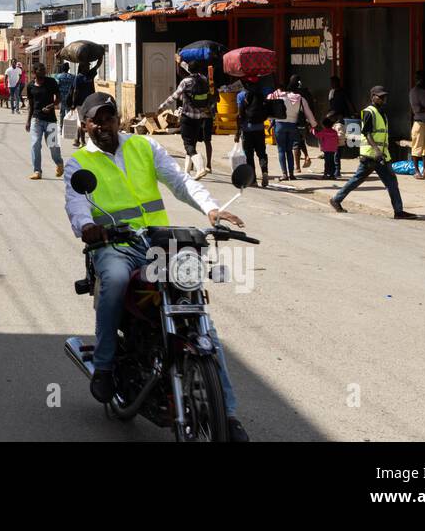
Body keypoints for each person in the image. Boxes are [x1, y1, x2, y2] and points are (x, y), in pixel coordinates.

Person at [63, 92, 249, 442]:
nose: (103, 124)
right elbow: (76, 205)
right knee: (116, 280)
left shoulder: (144, 147)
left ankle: (227, 413)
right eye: (95, 120)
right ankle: (103, 366)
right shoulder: (79, 163)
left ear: (119, 119)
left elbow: (179, 182)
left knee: (198, 317)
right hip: (114, 246)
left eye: (109, 117)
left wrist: (210, 209)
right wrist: (87, 227)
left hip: (161, 245)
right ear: (85, 125)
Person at [330, 86, 416, 219]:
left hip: (380, 154)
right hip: (372, 154)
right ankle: (398, 211)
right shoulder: (369, 112)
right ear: (372, 97)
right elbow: (367, 133)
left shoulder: (381, 113)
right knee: (388, 182)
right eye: (379, 96)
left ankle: (337, 199)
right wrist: (376, 150)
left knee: (362, 180)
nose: (382, 99)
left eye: (384, 96)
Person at [157, 60, 214, 179]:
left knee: (188, 144)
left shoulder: (186, 82)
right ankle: (186, 173)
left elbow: (174, 97)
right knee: (192, 144)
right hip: (199, 118)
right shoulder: (204, 79)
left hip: (187, 117)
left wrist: (162, 107)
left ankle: (200, 168)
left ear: (189, 69)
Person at [268, 76, 318, 180]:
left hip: (279, 125)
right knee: (289, 150)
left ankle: (284, 174)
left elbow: (268, 100)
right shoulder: (300, 98)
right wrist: (314, 125)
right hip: (292, 126)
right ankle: (291, 174)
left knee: (281, 150)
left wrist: (277, 92)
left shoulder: (279, 96)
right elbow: (308, 113)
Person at [25, 62, 64, 180]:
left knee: (53, 146)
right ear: (34, 72)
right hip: (36, 120)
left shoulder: (51, 82)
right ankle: (37, 171)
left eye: (44, 69)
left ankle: (59, 163)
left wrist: (51, 106)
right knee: (35, 144)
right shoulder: (30, 86)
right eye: (41, 70)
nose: (44, 71)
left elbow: (59, 98)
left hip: (50, 120)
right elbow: (31, 105)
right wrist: (28, 121)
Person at [235, 78, 271, 188]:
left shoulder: (241, 96)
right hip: (259, 128)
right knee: (261, 153)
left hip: (247, 130)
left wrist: (237, 132)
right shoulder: (261, 95)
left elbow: (239, 115)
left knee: (249, 155)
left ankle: (253, 180)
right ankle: (264, 171)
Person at [72, 58, 100, 147]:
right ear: (82, 67)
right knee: (82, 122)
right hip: (80, 103)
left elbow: (97, 65)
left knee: (83, 121)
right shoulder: (78, 77)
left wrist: (101, 56)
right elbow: (75, 91)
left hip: (90, 102)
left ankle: (77, 140)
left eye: (89, 66)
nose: (88, 67)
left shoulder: (90, 75)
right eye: (87, 66)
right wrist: (73, 103)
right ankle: (83, 141)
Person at [53, 61, 76, 140]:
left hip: (61, 97)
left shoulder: (58, 76)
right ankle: (68, 131)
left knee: (62, 113)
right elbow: (74, 87)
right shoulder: (73, 77)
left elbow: (56, 87)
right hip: (69, 97)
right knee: (69, 113)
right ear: (68, 69)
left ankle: (61, 129)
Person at [318, 111, 342, 180]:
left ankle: (326, 174)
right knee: (332, 162)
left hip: (326, 150)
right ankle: (332, 175)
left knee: (327, 162)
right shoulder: (334, 132)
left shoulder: (324, 131)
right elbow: (337, 140)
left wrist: (313, 130)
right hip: (333, 149)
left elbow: (318, 135)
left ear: (324, 125)